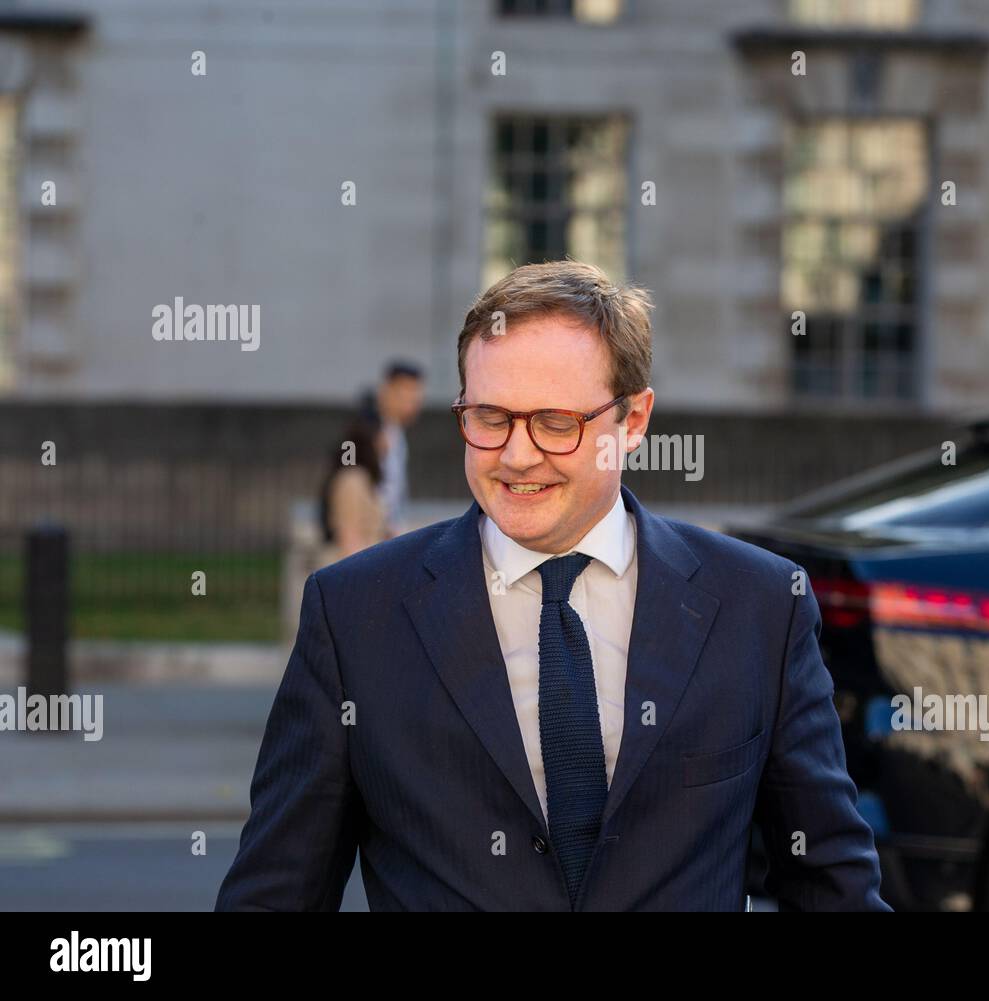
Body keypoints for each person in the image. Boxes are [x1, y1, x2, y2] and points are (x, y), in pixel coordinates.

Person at [216, 260, 890, 912]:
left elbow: (832, 886)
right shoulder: (355, 617)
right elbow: (276, 893)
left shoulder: (759, 608)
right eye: (489, 416)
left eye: (555, 422)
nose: (516, 454)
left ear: (633, 422)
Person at [360, 360, 425, 535]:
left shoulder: (395, 433)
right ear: (386, 390)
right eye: (406, 393)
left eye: (416, 395)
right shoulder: (369, 432)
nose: (413, 402)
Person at [318, 413, 388, 562]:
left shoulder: (361, 480)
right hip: (351, 572)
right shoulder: (352, 480)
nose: (387, 444)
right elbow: (349, 538)